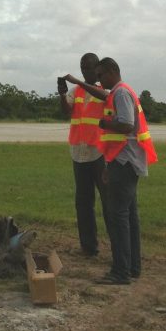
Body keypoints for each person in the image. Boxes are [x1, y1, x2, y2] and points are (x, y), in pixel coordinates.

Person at [92, 56, 157, 285]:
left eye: (100, 76)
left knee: (118, 216)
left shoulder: (120, 93)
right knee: (129, 216)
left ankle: (120, 272)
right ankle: (133, 267)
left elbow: (126, 125)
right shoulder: (121, 91)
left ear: (112, 71)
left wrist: (103, 123)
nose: (99, 81)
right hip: (125, 161)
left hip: (124, 162)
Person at [58, 53, 109, 257]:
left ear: (97, 68)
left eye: (88, 67)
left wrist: (78, 81)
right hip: (79, 153)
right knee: (83, 202)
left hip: (100, 153)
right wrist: (62, 95)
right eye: (82, 67)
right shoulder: (76, 91)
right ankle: (88, 247)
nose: (85, 71)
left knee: (109, 201)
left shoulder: (105, 90)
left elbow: (103, 97)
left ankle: (119, 247)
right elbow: (66, 112)